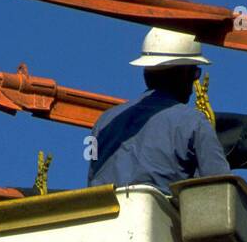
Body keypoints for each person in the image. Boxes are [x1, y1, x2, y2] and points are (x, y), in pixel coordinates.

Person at [85, 27, 231, 194]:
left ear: (146, 75)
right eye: (195, 73)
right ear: (182, 74)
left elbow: (92, 188)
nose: (195, 81)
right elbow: (222, 192)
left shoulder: (103, 123)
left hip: (106, 218)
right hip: (161, 218)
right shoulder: (193, 122)